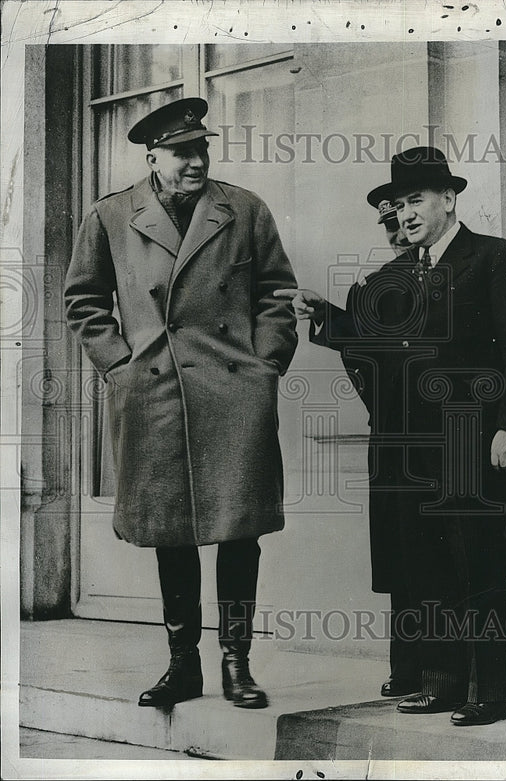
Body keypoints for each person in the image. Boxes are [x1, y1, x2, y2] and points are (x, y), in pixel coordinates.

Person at [275, 146, 506, 726]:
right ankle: (442, 687)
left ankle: (490, 693)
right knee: (426, 567)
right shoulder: (396, 276)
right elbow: (376, 347)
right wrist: (325, 315)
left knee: (479, 567)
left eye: (416, 199)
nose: (406, 213)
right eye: (398, 204)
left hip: (473, 441)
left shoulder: (494, 258)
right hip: (409, 449)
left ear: (449, 199)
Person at [65, 97, 298, 710]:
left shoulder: (243, 209)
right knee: (172, 530)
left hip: (233, 391)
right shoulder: (112, 215)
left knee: (238, 528)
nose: (197, 161)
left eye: (202, 149)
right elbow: (84, 302)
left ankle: (236, 664)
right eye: (182, 152)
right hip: (157, 393)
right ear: (153, 156)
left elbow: (276, 290)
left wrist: (265, 362)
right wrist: (121, 367)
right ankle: (182, 665)